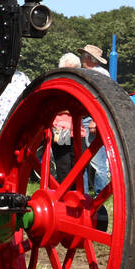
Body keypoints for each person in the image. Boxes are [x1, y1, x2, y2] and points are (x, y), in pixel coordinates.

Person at [79, 44, 111, 195]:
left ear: (90, 59)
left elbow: (103, 99)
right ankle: (84, 193)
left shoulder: (99, 74)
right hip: (86, 119)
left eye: (84, 56)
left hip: (92, 120)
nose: (82, 59)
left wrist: (95, 120)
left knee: (98, 162)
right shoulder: (92, 72)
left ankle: (100, 194)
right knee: (83, 160)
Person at [51, 53, 81, 185]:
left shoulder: (80, 85)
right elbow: (54, 107)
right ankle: (64, 195)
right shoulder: (57, 84)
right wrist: (71, 109)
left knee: (79, 165)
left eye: (74, 69)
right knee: (64, 166)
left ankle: (74, 194)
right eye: (68, 68)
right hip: (61, 129)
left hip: (79, 130)